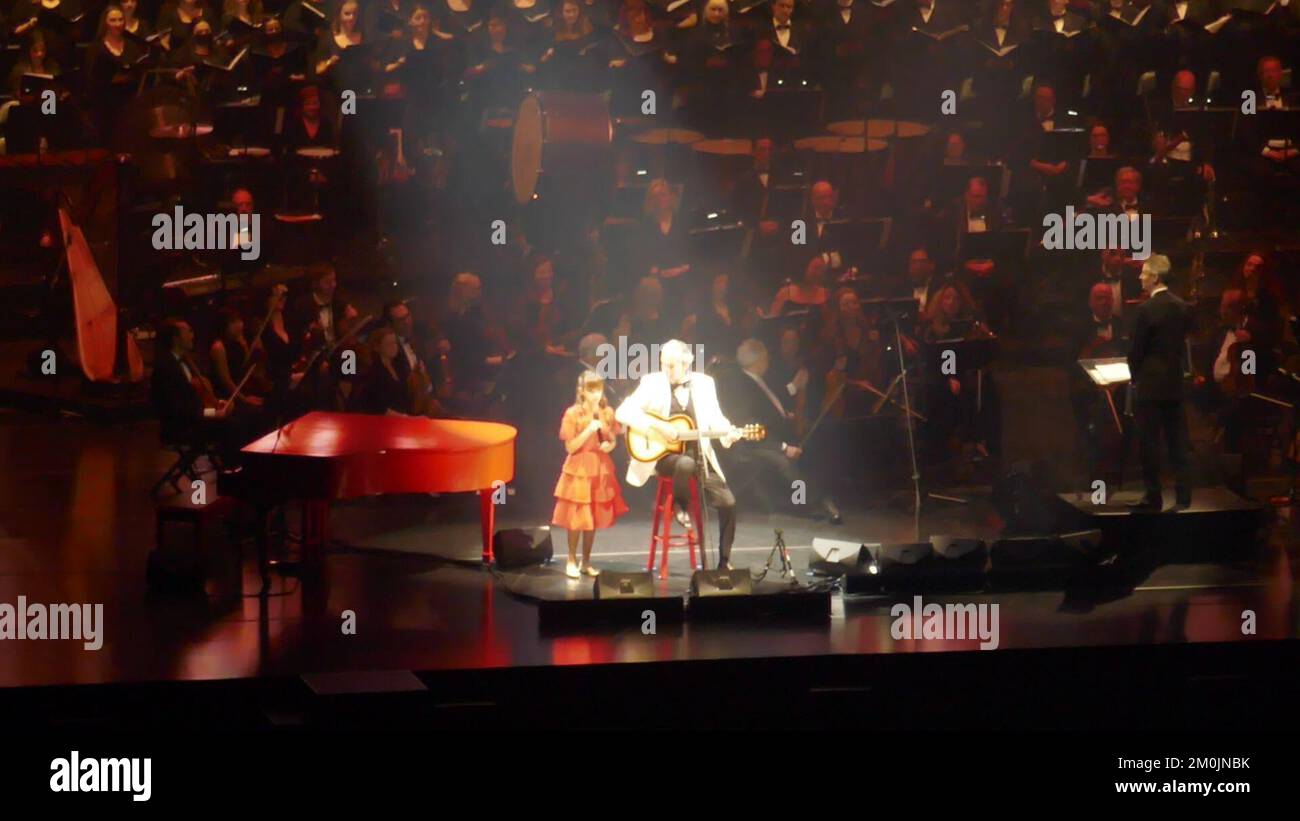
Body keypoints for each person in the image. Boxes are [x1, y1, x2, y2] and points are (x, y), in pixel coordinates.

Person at [615, 339, 742, 570]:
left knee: (729, 503)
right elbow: (623, 411)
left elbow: (716, 417)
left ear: (687, 363)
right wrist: (658, 427)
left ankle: (724, 561)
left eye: (671, 366)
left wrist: (728, 433)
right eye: (663, 364)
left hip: (700, 456)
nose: (666, 370)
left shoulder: (705, 384)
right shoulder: (651, 382)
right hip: (666, 458)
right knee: (684, 463)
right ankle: (680, 506)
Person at [717, 339, 842, 523]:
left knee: (819, 447)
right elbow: (749, 423)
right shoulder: (741, 384)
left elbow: (771, 402)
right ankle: (810, 502)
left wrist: (786, 415)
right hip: (756, 442)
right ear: (759, 359)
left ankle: (814, 498)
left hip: (777, 434)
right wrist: (783, 447)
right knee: (784, 462)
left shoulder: (758, 380)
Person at [1127, 253, 1193, 510]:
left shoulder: (1145, 310)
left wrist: (1135, 378)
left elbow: (1136, 351)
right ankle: (1184, 495)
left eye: (1144, 273)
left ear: (1155, 277)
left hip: (1150, 384)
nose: (1140, 277)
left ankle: (1153, 494)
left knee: (1150, 443)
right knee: (1178, 442)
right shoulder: (1183, 307)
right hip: (1174, 382)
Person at [552, 370, 629, 578]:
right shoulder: (572, 413)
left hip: (600, 467)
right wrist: (588, 430)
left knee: (592, 516)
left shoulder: (607, 412)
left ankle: (586, 561)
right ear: (582, 391)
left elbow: (613, 439)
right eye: (591, 390)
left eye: (598, 389)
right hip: (579, 468)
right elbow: (570, 447)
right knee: (578, 516)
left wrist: (609, 445)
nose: (595, 394)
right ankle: (571, 560)